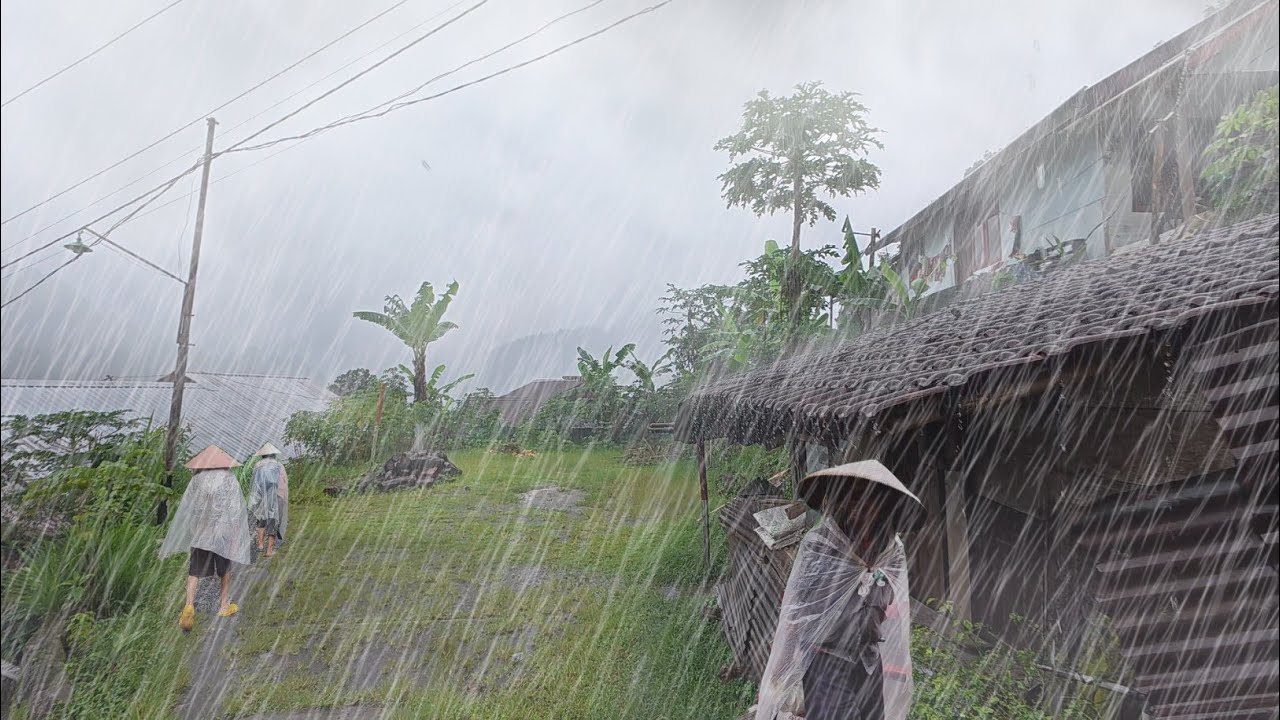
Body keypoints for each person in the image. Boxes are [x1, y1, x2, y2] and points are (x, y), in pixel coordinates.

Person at [755, 460, 920, 720]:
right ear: (840, 501)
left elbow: (895, 607)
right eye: (851, 497)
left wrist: (897, 663)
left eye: (868, 499)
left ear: (884, 505)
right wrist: (783, 665)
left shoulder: (890, 550)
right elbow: (797, 609)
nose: (859, 506)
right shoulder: (820, 545)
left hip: (867, 658)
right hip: (825, 659)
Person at [159, 444, 252, 631]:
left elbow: (189, 509)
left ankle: (188, 606)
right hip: (222, 532)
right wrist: (234, 532)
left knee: (194, 571)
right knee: (225, 570)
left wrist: (195, 529)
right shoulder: (229, 479)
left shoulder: (196, 481)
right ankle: (224, 606)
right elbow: (235, 509)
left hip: (201, 532)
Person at [248, 442, 289, 557]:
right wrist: (283, 498)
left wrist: (254, 499)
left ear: (262, 455)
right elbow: (283, 483)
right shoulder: (279, 466)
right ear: (274, 454)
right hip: (276, 497)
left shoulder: (258, 466)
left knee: (260, 519)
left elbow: (254, 484)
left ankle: (260, 544)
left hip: (261, 497)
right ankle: (269, 550)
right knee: (273, 521)